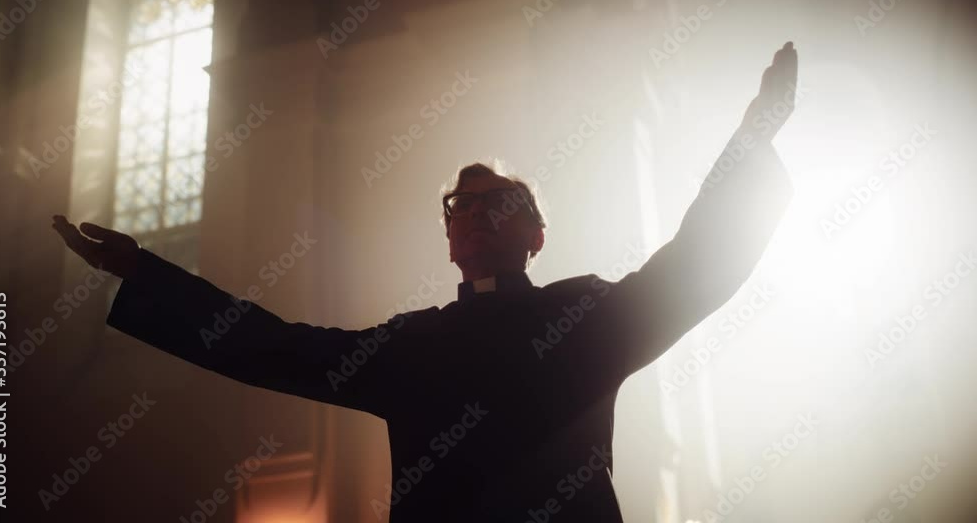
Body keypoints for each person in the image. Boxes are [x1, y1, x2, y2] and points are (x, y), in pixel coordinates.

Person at [52, 42, 798, 523]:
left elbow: (694, 263)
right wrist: (141, 271)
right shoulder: (412, 344)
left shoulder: (588, 313)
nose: (471, 212)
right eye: (458, 205)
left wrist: (753, 139)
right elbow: (270, 345)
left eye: (495, 201)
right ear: (448, 238)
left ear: (536, 235)